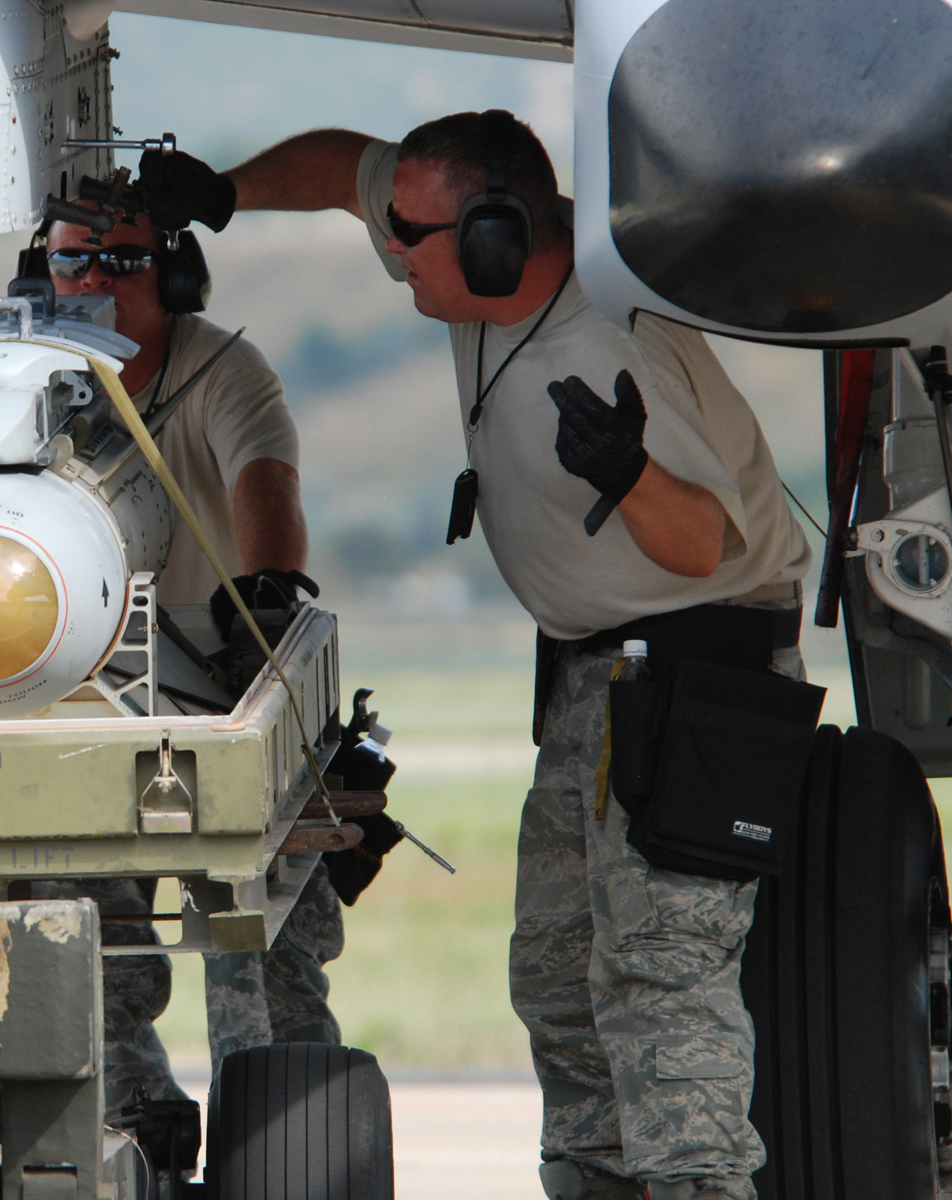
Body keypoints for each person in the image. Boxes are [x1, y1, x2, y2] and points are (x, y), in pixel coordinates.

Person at [137, 112, 811, 1200]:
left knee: (660, 978)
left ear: (496, 238)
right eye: (392, 226)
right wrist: (221, 193)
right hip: (599, 674)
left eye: (411, 234)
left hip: (702, 669)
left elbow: (705, 547)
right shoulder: (470, 259)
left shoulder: (606, 338)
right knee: (555, 978)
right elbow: (342, 169)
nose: (389, 248)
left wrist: (629, 473)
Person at [26, 200, 347, 1116]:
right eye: (70, 264)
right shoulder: (25, 380)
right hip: (82, 689)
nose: (89, 286)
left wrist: (267, 589)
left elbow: (266, 486)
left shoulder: (223, 371)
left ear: (171, 279)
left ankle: (284, 1122)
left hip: (222, 671)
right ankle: (132, 1110)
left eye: (120, 265)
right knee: (73, 925)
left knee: (262, 946)